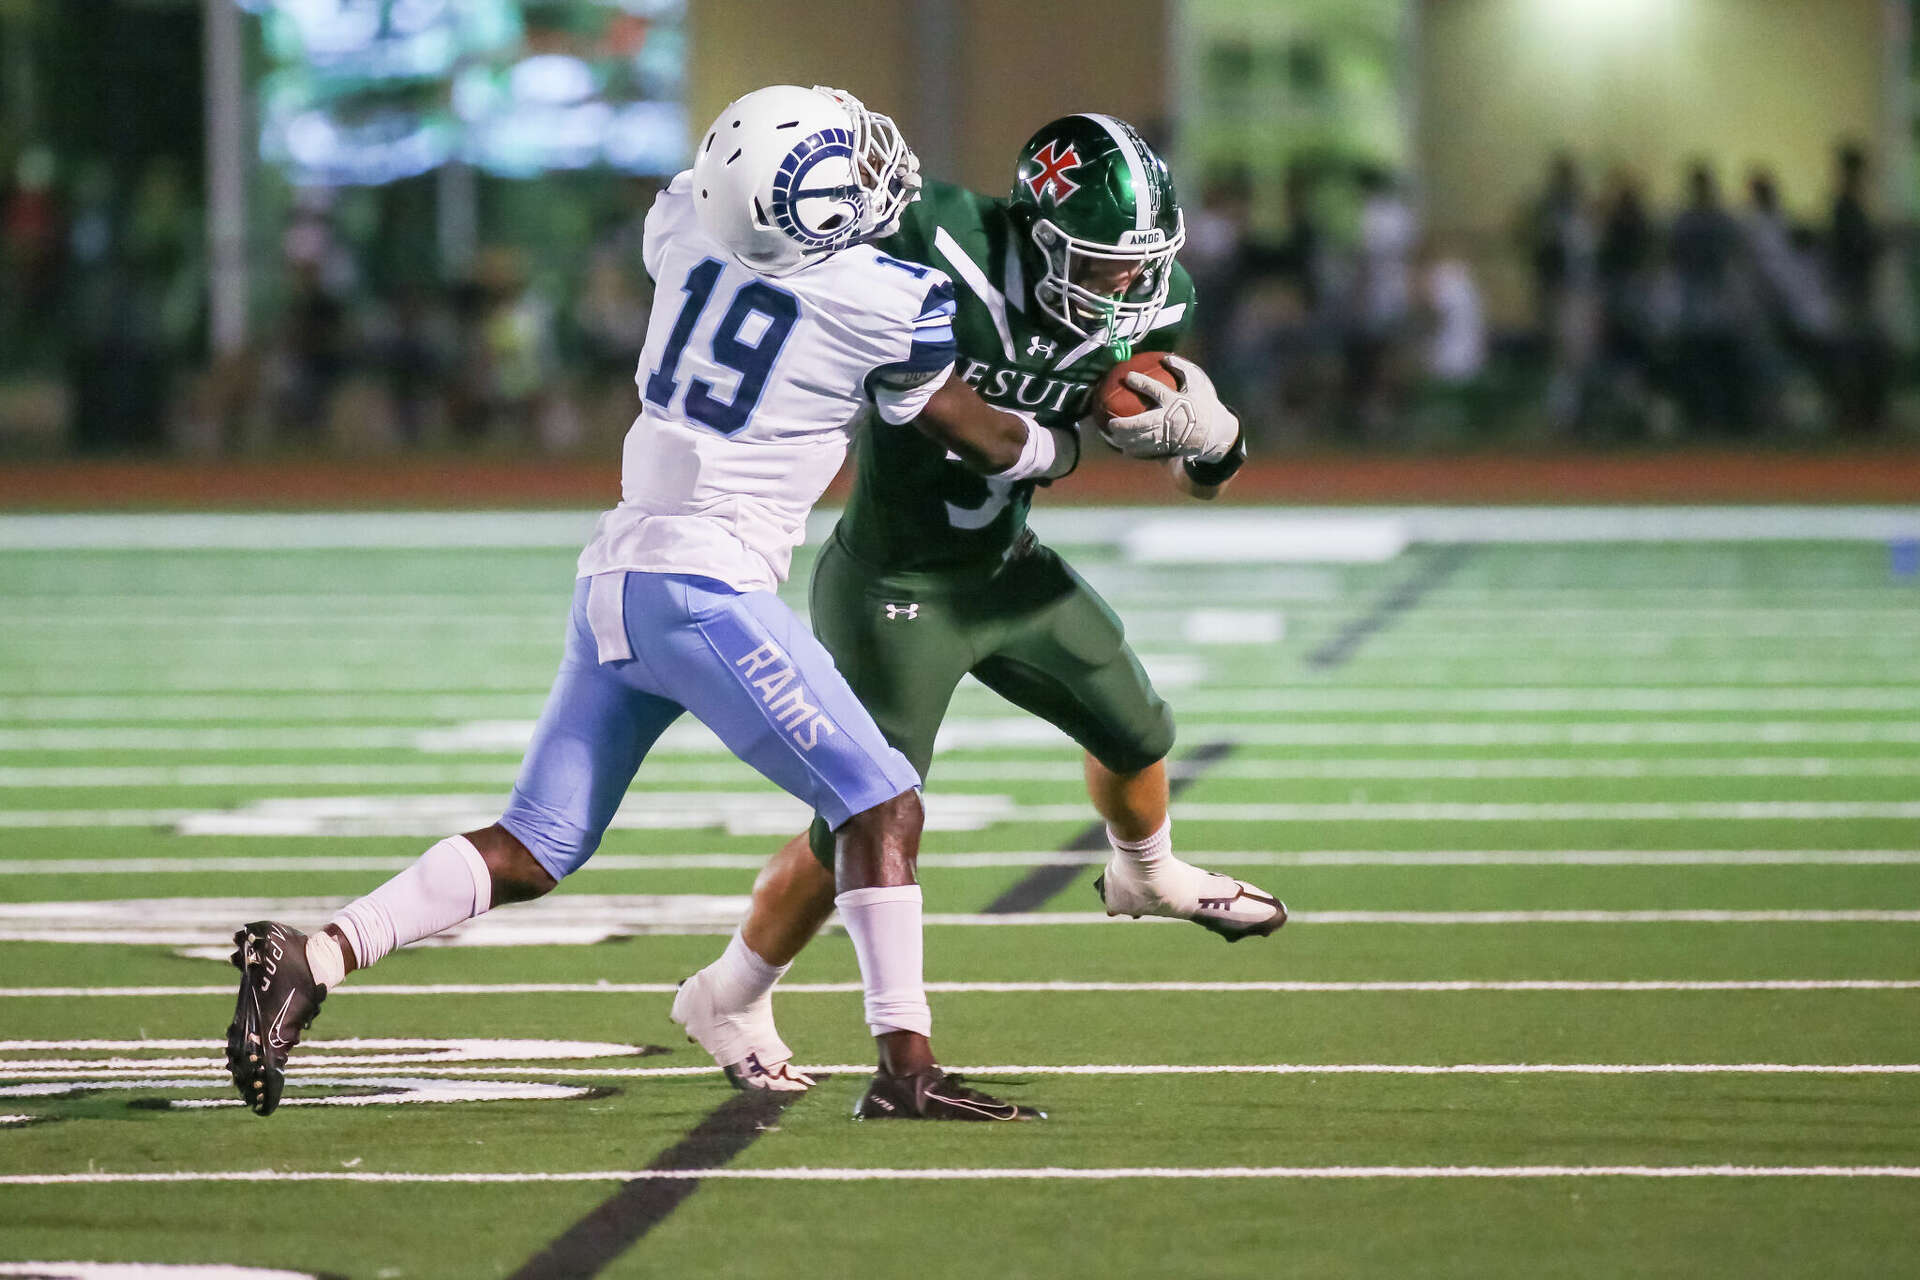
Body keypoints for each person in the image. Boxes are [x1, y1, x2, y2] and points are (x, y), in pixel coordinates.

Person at [227, 84, 1081, 1123]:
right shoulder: (886, 297)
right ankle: (906, 1067)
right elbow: (974, 430)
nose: (869, 173)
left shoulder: (685, 226)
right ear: (808, 208)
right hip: (704, 585)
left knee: (536, 844)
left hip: (620, 572)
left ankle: (313, 954)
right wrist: (1067, 439)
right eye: (845, 167)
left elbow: (720, 200)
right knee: (881, 802)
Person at [668, 113, 1285, 1093]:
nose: (1127, 284)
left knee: (1137, 725)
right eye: (1100, 261)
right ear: (1037, 234)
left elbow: (1187, 464)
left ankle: (1146, 871)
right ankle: (729, 988)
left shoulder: (1151, 297)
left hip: (1003, 565)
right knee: (859, 820)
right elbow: (795, 225)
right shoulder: (936, 237)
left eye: (1140, 264)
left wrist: (1210, 441)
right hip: (895, 583)